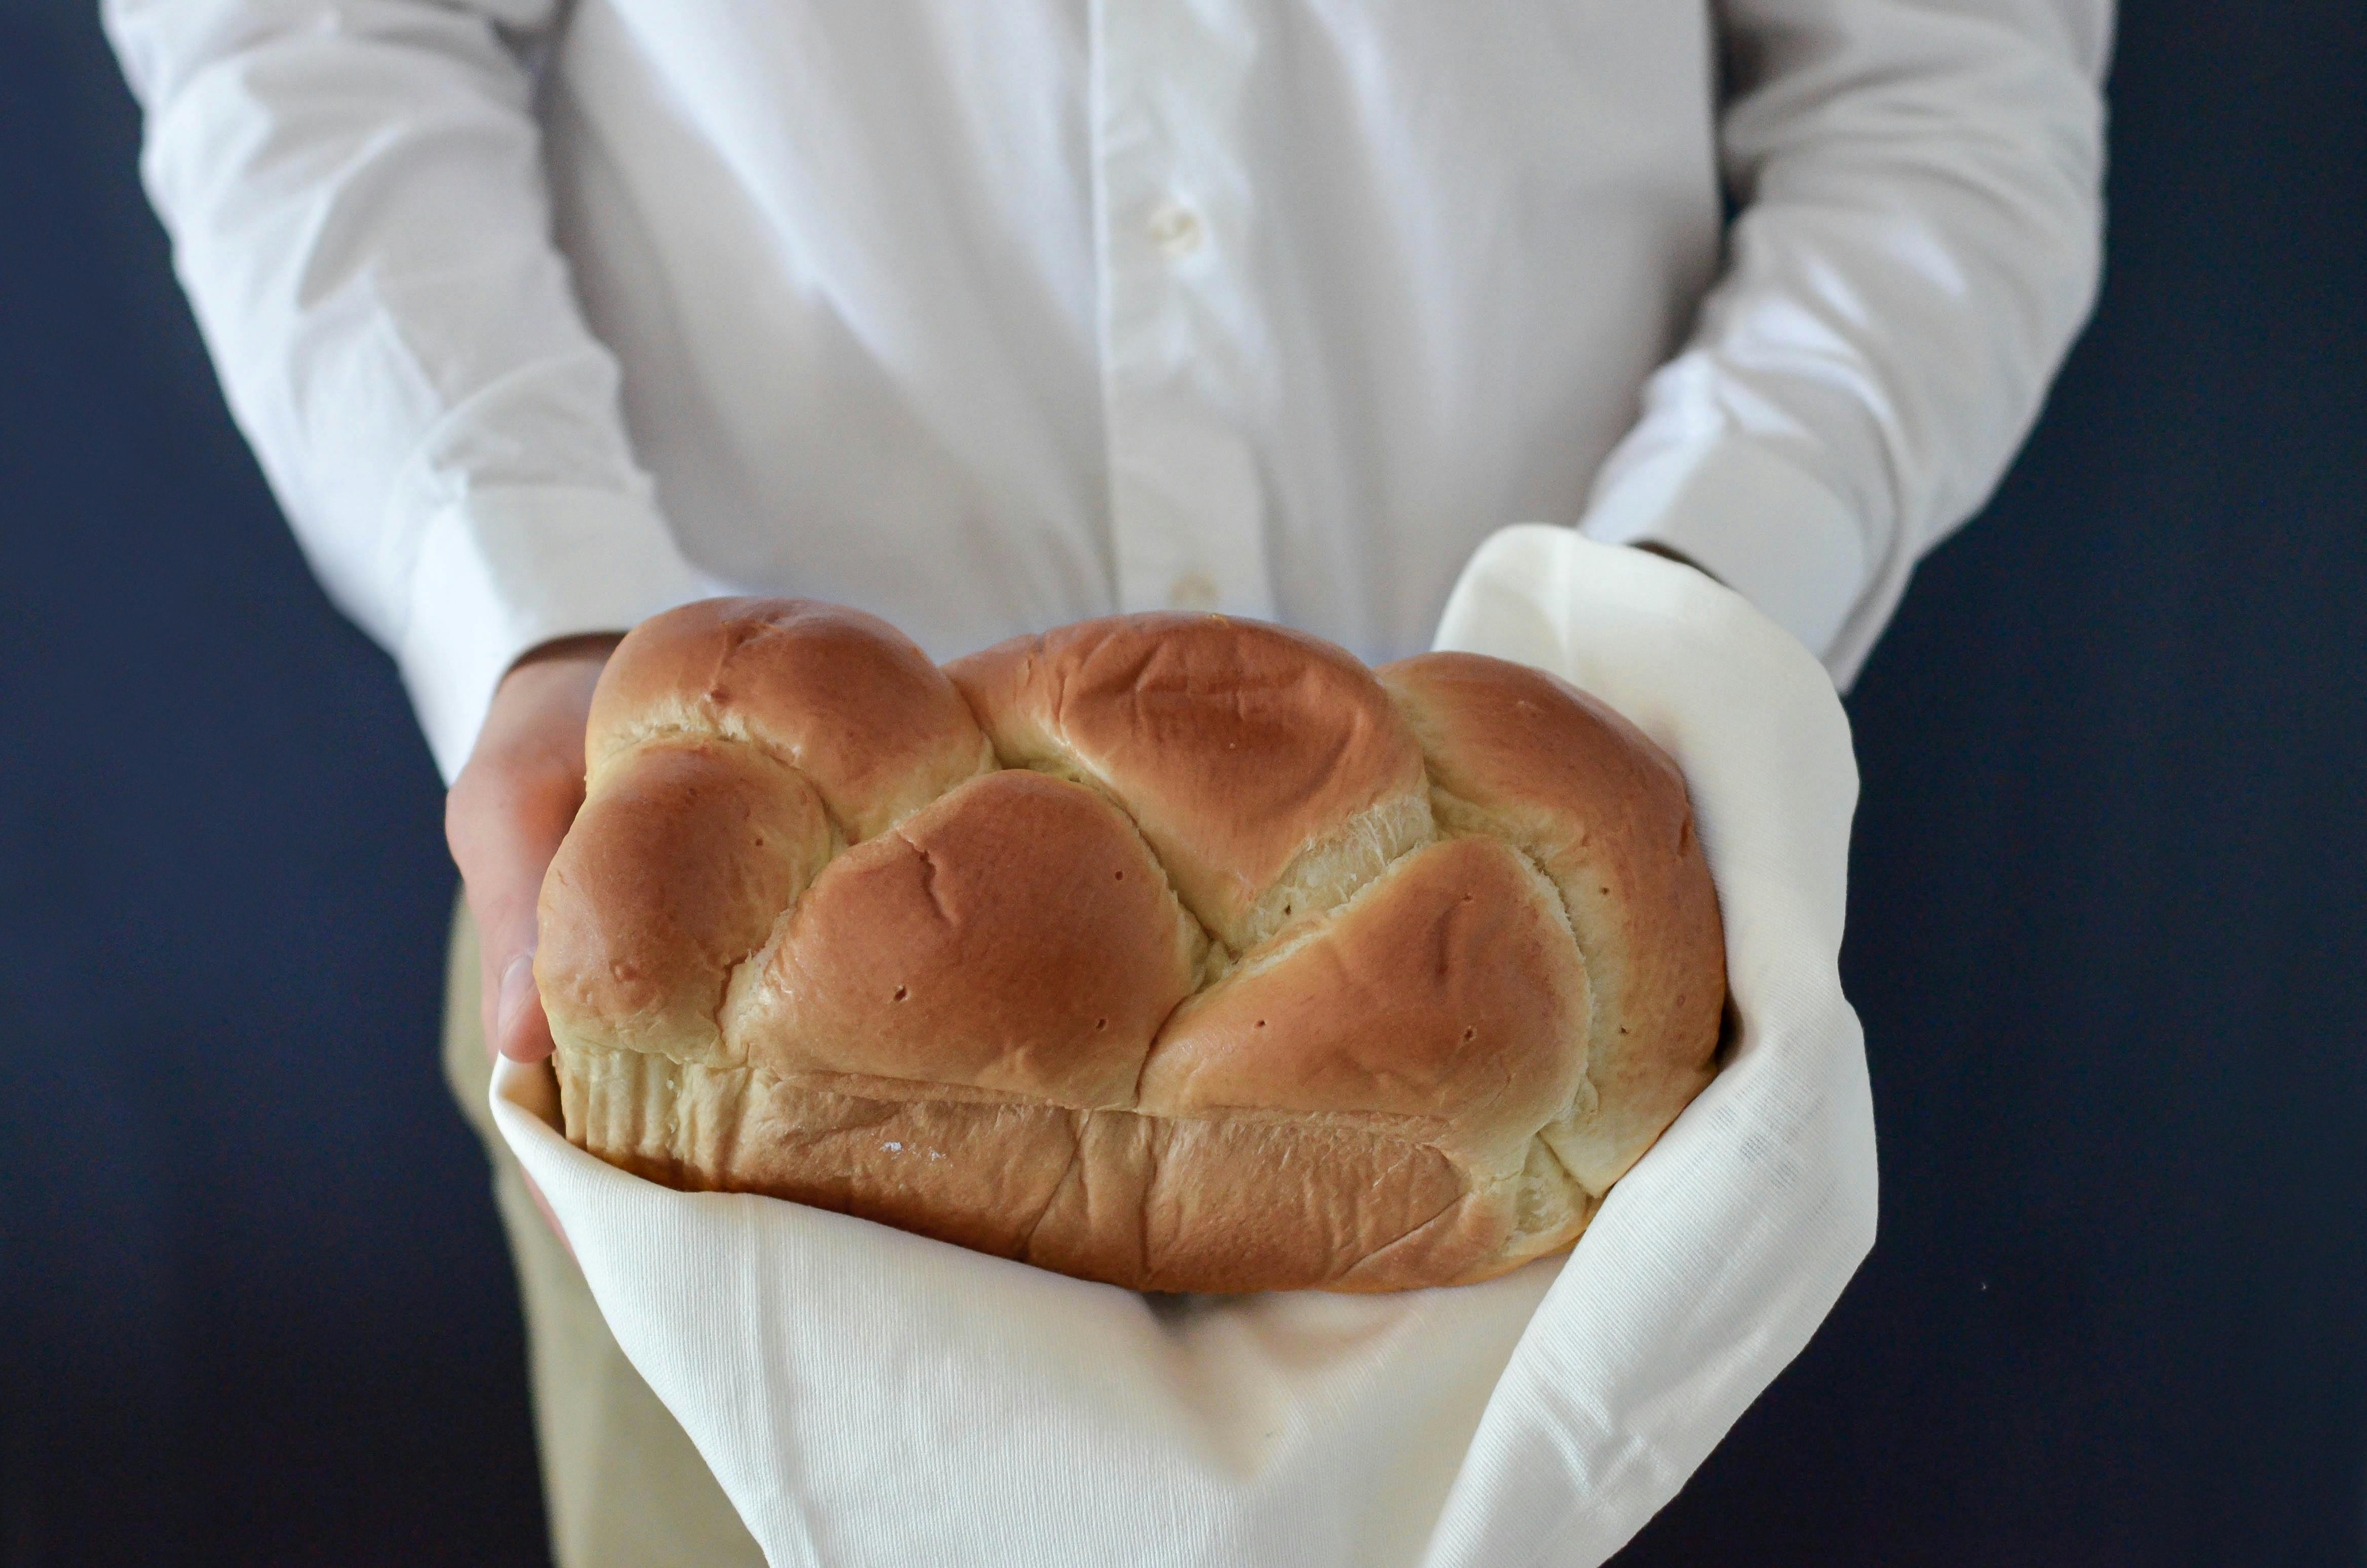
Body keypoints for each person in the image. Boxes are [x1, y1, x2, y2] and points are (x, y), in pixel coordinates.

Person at [104, 2, 2112, 1561]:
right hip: (712, 1031)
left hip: (1552, 1044)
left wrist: (1673, 626)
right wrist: (532, 615)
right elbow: (305, 38)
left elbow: (1945, 94)